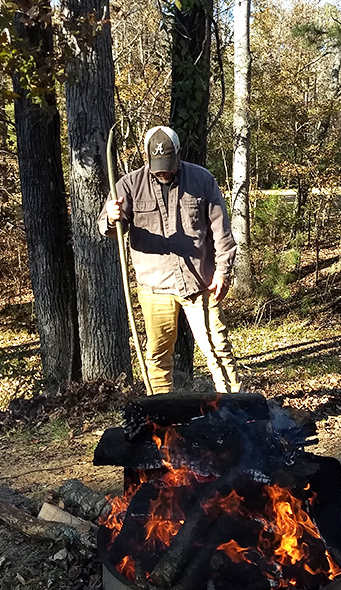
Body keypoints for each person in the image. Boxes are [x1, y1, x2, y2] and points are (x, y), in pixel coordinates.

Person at [98, 125, 241, 395]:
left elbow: (221, 231)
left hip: (201, 285)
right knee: (157, 358)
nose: (163, 170)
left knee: (218, 349)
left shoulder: (202, 180)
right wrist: (111, 217)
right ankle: (163, 419)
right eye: (157, 165)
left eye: (168, 164)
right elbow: (106, 228)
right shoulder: (128, 185)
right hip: (155, 288)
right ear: (147, 157)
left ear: (179, 154)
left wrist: (223, 271)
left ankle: (235, 408)